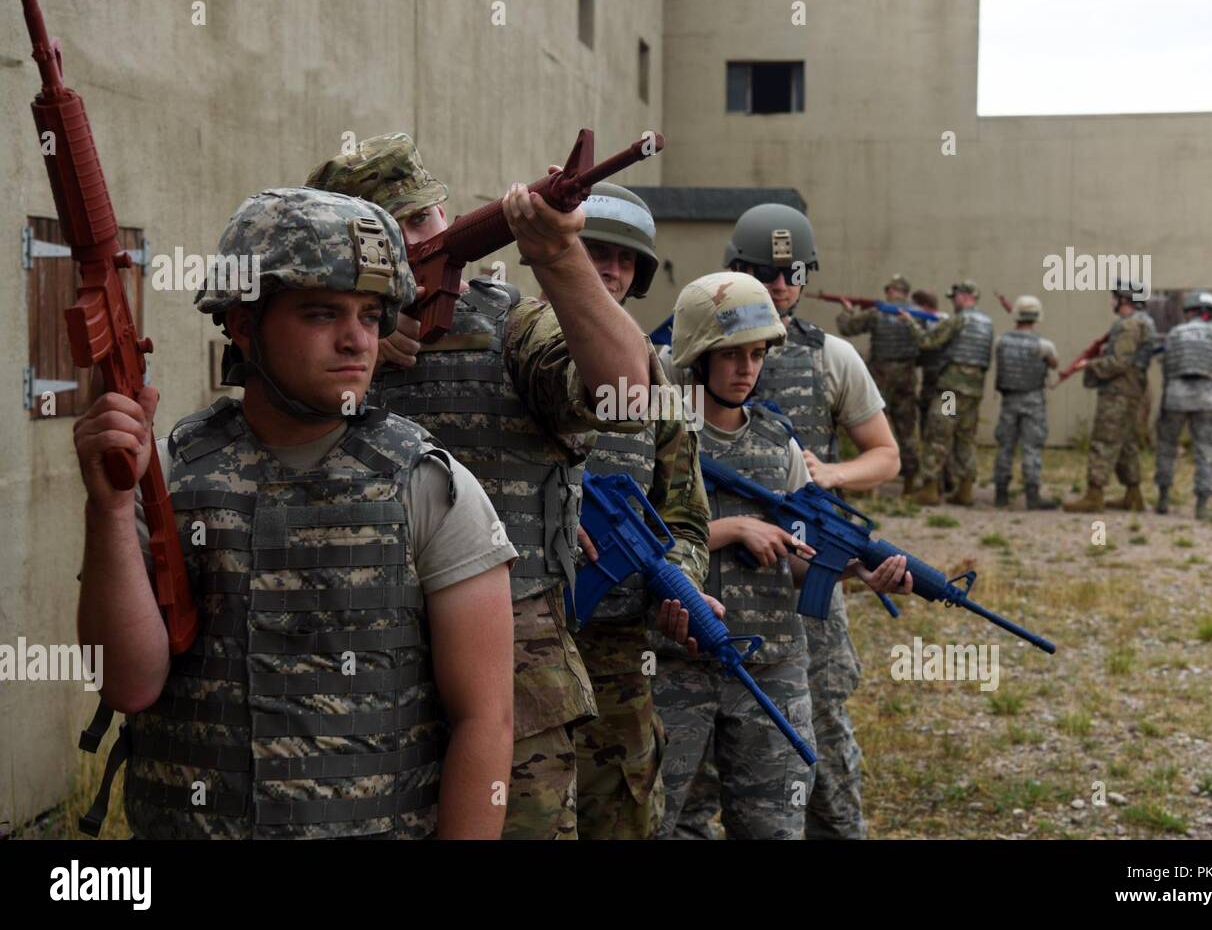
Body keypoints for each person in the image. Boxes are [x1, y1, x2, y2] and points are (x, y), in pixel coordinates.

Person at [75, 188, 516, 838]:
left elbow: (486, 720)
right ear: (245, 324)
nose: (356, 340)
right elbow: (128, 686)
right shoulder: (165, 477)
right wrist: (110, 508)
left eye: (371, 315)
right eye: (321, 313)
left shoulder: (429, 487)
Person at [307, 133, 654, 839]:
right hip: (351, 692)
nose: (426, 236)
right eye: (396, 226)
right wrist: (358, 353)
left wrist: (559, 256)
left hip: (514, 697)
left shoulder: (510, 326)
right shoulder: (315, 348)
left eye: (428, 216)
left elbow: (624, 393)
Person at [653, 272, 911, 840]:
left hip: (770, 665)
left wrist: (855, 570)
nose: (747, 369)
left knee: (774, 826)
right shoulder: (660, 436)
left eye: (756, 354)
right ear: (697, 356)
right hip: (677, 666)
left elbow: (798, 557)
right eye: (731, 356)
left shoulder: (778, 442)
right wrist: (731, 529)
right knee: (662, 824)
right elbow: (638, 546)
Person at [565, 183, 714, 839]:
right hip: (504, 649)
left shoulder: (658, 387)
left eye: (626, 260)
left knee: (620, 819)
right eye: (596, 250)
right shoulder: (505, 353)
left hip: (617, 657)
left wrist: (676, 579)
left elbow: (685, 515)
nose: (611, 269)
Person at [1063, 280, 1158, 513]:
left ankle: (1094, 495)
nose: (1112, 301)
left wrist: (1089, 364)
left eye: (1115, 297)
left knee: (1103, 441)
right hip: (1131, 390)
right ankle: (1133, 495)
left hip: (1119, 392)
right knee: (1125, 443)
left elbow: (1118, 362)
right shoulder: (1143, 323)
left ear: (1124, 300)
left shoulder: (1128, 326)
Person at [908, 280, 993, 507]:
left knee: (938, 434)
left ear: (964, 296)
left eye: (954, 297)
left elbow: (929, 341)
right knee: (966, 438)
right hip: (974, 391)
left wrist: (910, 323)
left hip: (951, 391)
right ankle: (965, 490)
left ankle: (929, 490)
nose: (952, 302)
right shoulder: (987, 323)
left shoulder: (959, 319)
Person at [835, 274, 921, 493]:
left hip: (880, 377)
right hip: (907, 377)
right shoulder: (916, 315)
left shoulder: (877, 313)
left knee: (873, 431)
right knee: (907, 429)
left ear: (891, 290)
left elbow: (848, 328)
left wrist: (847, 309)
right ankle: (910, 482)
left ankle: (870, 486)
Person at [1154, 290, 1212, 520]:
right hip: (1207, 396)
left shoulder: (1175, 334)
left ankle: (1163, 498)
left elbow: (1166, 367)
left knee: (1167, 447)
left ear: (1188, 311)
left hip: (1175, 396)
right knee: (1205, 451)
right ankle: (1202, 505)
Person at [992, 295, 1060, 510]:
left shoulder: (1001, 341)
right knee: (1032, 448)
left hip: (1009, 399)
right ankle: (1032, 496)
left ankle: (1000, 494)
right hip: (1033, 400)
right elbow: (1054, 364)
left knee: (1005, 446)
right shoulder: (1044, 345)